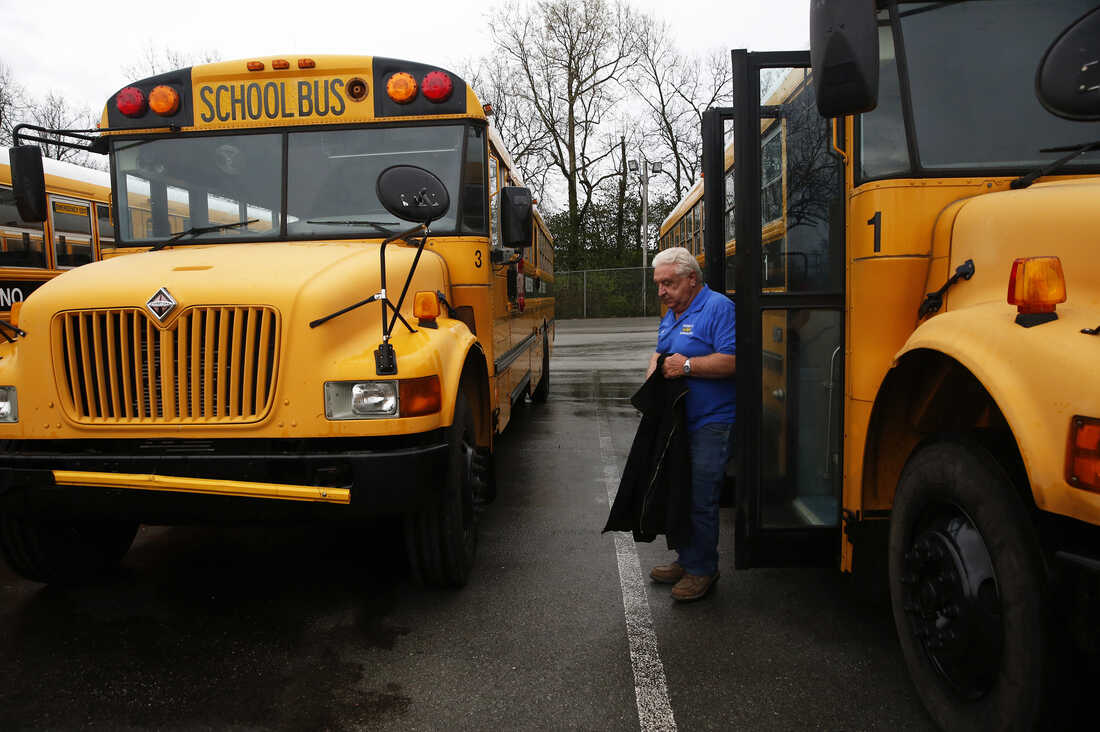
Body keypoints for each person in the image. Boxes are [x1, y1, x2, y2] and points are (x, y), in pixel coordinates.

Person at [646, 247, 736, 601]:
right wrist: (653, 371)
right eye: (658, 285)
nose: (661, 292)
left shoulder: (718, 308)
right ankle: (687, 559)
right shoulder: (673, 312)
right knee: (681, 490)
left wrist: (686, 367)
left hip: (712, 421)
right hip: (679, 423)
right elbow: (661, 349)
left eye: (668, 283)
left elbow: (733, 361)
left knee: (701, 496)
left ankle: (703, 570)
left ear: (691, 279)